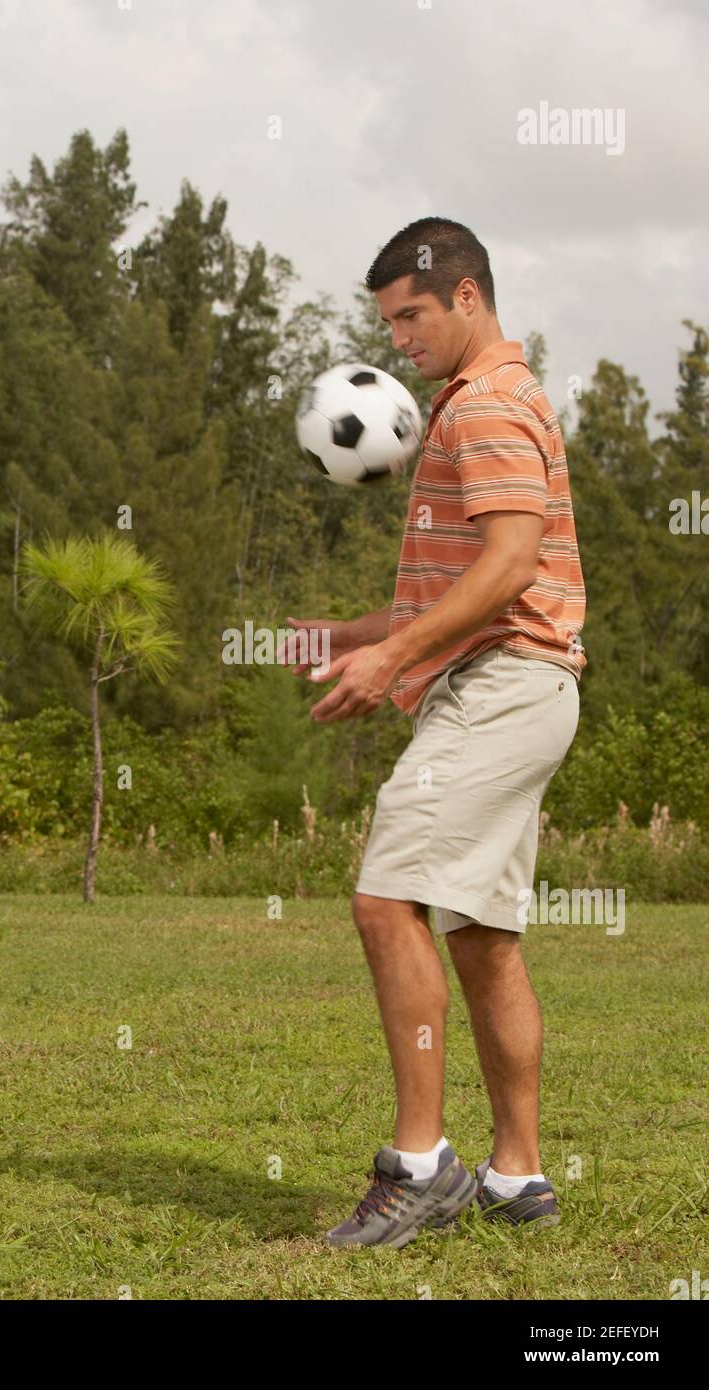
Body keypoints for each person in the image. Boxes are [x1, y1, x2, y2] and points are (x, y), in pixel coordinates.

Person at [283, 217, 586, 1247]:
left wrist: (391, 660)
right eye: (385, 322)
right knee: (483, 940)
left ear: (466, 298)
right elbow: (459, 584)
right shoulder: (481, 403)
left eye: (411, 315)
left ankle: (419, 1167)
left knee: (383, 901)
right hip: (519, 686)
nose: (397, 340)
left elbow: (507, 569)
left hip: (500, 684)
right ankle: (516, 1176)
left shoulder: (489, 405)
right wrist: (349, 632)